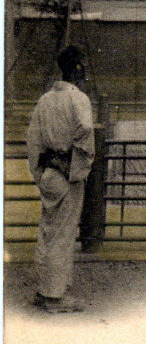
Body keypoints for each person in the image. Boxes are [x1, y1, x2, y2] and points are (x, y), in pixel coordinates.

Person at [26, 45, 96, 313]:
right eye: (82, 65)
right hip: (67, 174)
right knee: (63, 235)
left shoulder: (45, 100)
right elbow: (86, 131)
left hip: (49, 173)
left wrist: (39, 171)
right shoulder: (78, 99)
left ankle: (44, 290)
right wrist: (78, 169)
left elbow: (33, 139)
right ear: (77, 69)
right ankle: (55, 298)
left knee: (47, 231)